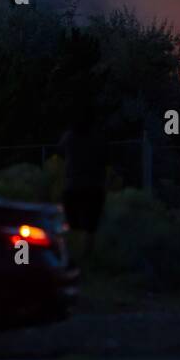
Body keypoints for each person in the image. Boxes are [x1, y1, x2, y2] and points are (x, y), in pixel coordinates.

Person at [57, 104, 108, 252]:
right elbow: (106, 158)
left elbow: (59, 151)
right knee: (90, 228)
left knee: (71, 226)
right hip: (94, 188)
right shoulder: (98, 138)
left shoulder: (69, 137)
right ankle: (86, 256)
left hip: (73, 187)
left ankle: (71, 255)